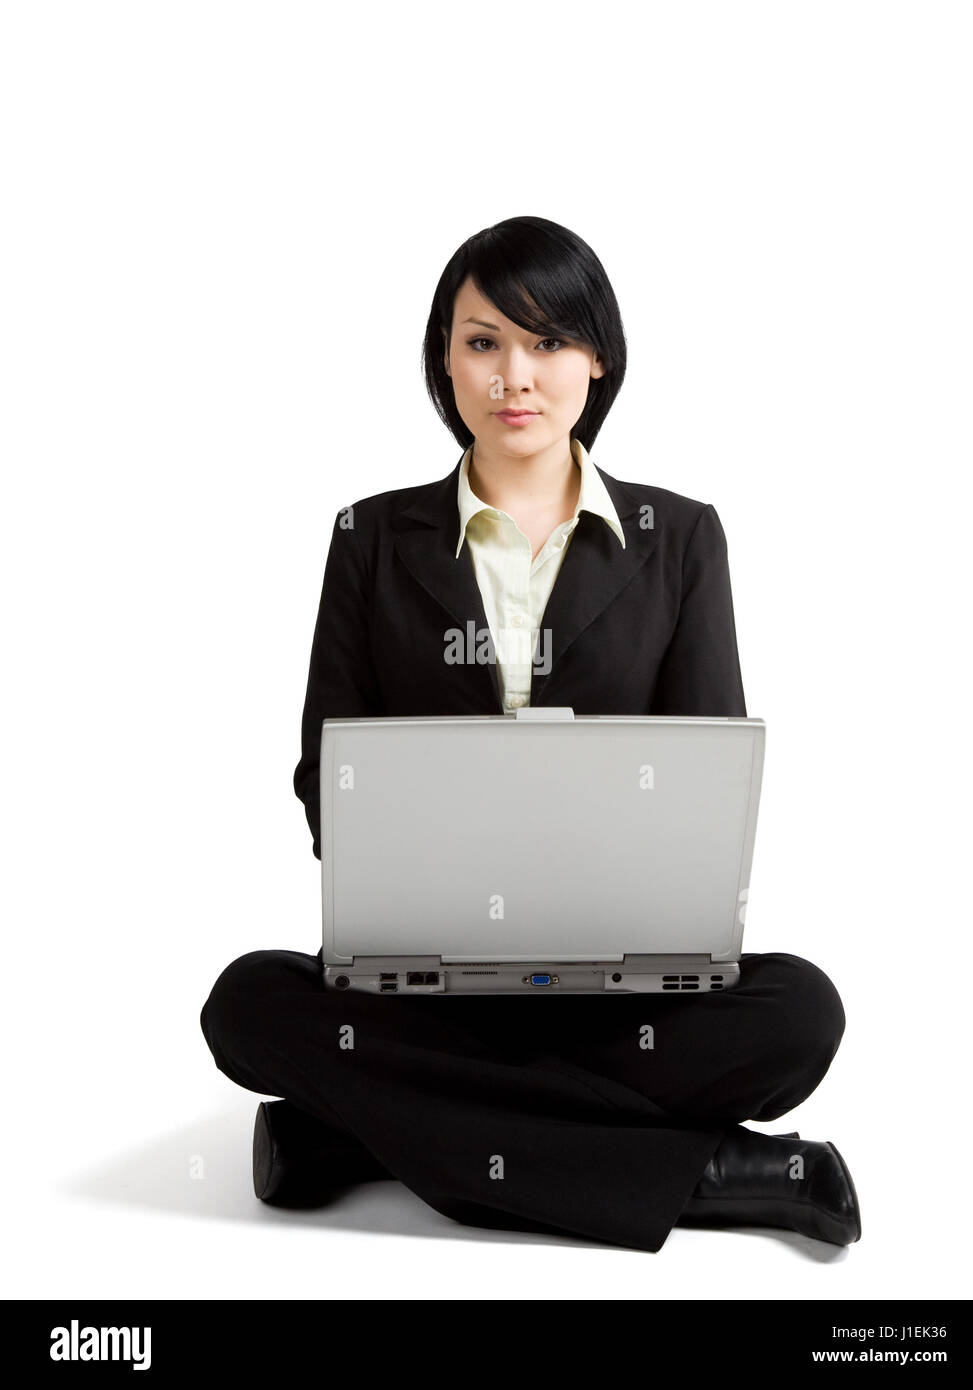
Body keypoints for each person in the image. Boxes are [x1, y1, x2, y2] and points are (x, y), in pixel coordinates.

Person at [200, 216, 860, 1253]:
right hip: (427, 982)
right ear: (445, 362)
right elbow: (326, 774)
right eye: (482, 342)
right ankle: (716, 1172)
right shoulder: (369, 540)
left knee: (800, 1011)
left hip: (618, 988)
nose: (516, 374)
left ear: (597, 359)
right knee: (245, 1003)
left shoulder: (678, 536)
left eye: (549, 342)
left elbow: (703, 785)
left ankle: (363, 1133)